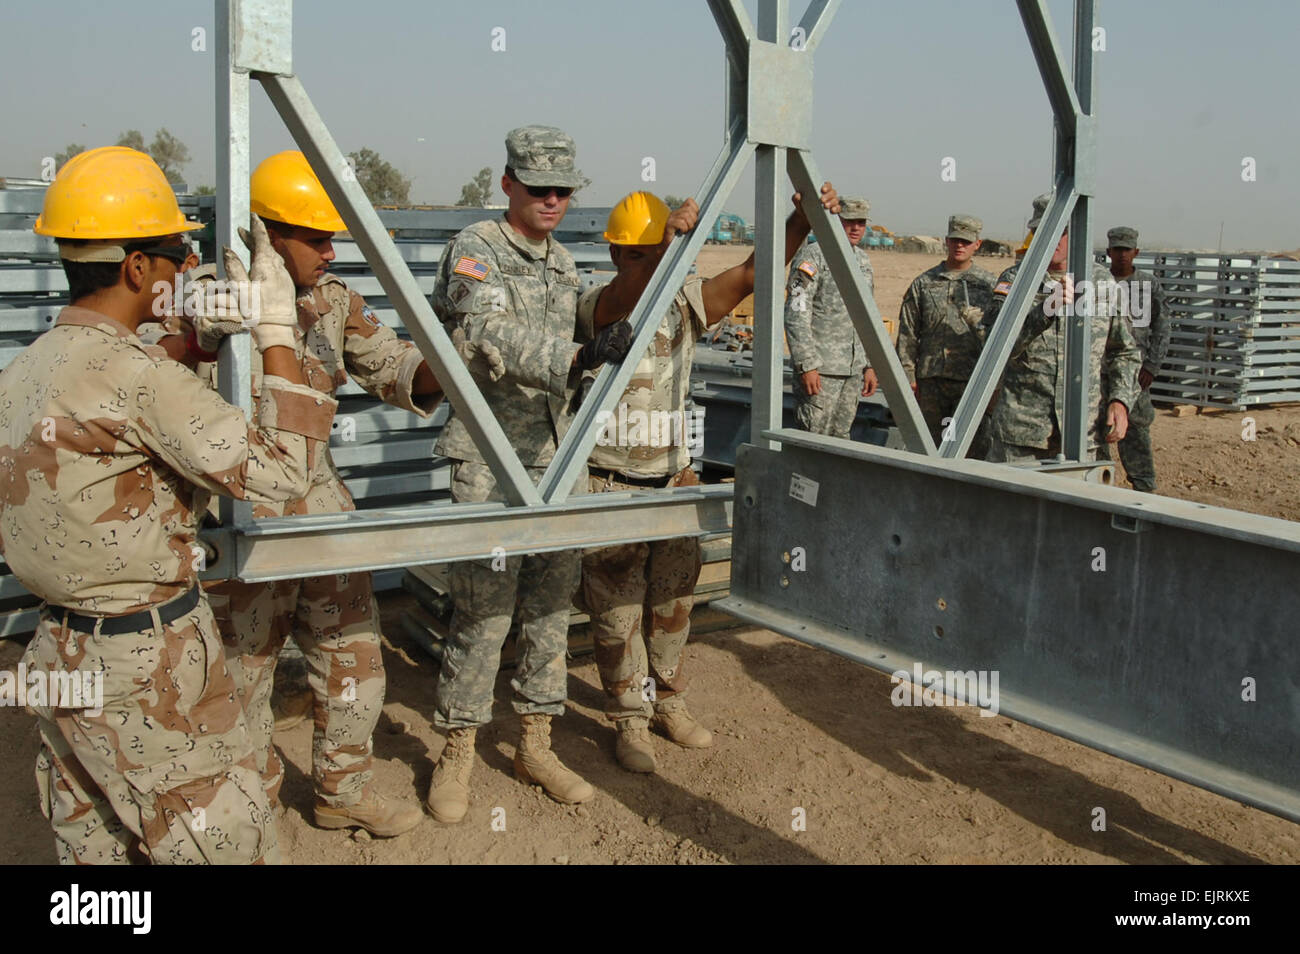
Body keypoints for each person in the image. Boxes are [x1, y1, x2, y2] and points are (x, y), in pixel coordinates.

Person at [2, 146, 337, 864]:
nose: (188, 267)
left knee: (98, 859)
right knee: (228, 845)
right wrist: (275, 329)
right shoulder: (140, 378)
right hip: (144, 664)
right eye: (178, 252)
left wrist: (194, 340)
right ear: (135, 268)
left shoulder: (23, 371)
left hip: (57, 645)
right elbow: (284, 474)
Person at [185, 152, 475, 838]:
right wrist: (196, 331)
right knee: (241, 677)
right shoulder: (211, 294)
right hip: (240, 522)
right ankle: (249, 804)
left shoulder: (334, 301)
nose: (329, 249)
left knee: (354, 662)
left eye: (332, 236)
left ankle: (343, 789)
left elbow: (398, 371)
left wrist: (456, 358)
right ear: (265, 232)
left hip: (320, 515)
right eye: (314, 237)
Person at [580, 181, 840, 773]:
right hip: (610, 485)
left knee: (672, 606)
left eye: (664, 251)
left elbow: (752, 274)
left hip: (673, 484)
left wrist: (799, 220)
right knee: (617, 616)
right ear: (618, 254)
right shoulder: (594, 305)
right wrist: (663, 249)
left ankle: (666, 701)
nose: (656, 263)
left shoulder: (684, 305)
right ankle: (629, 720)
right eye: (643, 252)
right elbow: (623, 300)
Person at [426, 126, 635, 823]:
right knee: (483, 611)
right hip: (490, 460)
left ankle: (535, 743)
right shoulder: (476, 251)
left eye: (563, 190)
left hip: (558, 457)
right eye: (539, 187)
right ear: (508, 182)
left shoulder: (564, 263)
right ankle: (457, 748)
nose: (552, 199)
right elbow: (486, 332)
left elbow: (584, 313)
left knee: (549, 608)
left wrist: (616, 307)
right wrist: (576, 357)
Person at [981, 200, 1141, 463]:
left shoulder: (1102, 283)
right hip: (1022, 435)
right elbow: (995, 348)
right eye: (1044, 229)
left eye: (1062, 231)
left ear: (1078, 231)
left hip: (1083, 434)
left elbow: (1124, 352)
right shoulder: (1013, 280)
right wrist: (1044, 310)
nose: (1054, 238)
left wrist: (1121, 401)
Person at [895, 214, 998, 451]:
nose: (959, 246)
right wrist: (908, 377)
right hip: (931, 383)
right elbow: (908, 334)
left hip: (972, 383)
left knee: (973, 450)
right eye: (955, 240)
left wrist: (995, 386)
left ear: (977, 244)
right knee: (928, 448)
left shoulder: (989, 285)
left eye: (965, 241)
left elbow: (998, 339)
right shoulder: (924, 283)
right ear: (946, 241)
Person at [783, 197, 878, 438]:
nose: (855, 228)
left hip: (852, 371)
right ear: (835, 221)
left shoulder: (863, 262)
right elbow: (797, 313)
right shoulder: (812, 258)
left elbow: (868, 318)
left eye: (861, 222)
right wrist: (807, 365)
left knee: (841, 440)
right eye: (849, 222)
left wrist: (869, 365)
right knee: (813, 438)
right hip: (821, 371)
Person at [1099, 226, 1168, 492]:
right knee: (1097, 430)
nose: (1122, 255)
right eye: (1117, 249)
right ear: (1109, 252)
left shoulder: (1149, 285)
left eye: (1127, 249)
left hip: (1135, 374)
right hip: (1100, 371)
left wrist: (1152, 365)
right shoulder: (1099, 282)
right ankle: (1099, 487)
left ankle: (1144, 489)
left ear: (1136, 252)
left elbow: (1162, 326)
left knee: (1136, 430)